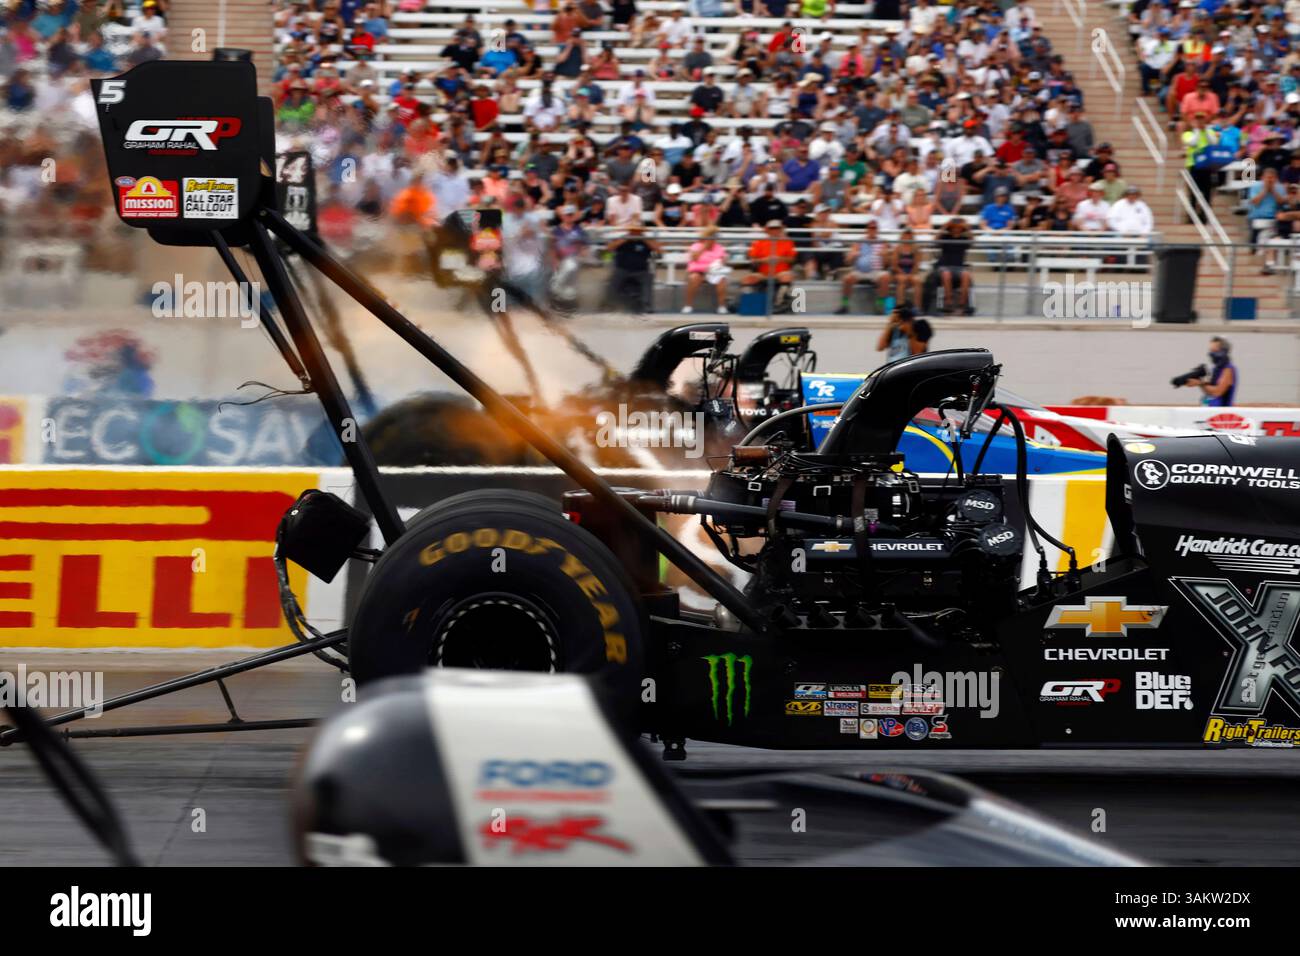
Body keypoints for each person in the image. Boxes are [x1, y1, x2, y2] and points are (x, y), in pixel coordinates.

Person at [835, 220, 891, 315]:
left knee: (885, 277)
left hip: (876, 271)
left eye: (874, 228)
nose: (872, 230)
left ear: (877, 230)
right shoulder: (859, 242)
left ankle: (879, 306)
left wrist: (885, 255)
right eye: (870, 228)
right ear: (867, 229)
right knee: (847, 279)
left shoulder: (882, 242)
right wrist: (853, 255)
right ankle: (844, 305)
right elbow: (847, 261)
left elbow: (887, 263)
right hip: (859, 271)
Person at [605, 225, 660, 312]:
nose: (635, 232)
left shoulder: (646, 241)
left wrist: (644, 239)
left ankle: (646, 305)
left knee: (648, 278)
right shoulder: (623, 239)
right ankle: (608, 305)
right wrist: (625, 239)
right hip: (622, 269)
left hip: (641, 270)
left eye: (637, 230)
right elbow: (609, 248)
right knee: (614, 280)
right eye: (633, 230)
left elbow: (658, 249)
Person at [743, 219, 798, 300]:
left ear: (780, 230)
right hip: (763, 273)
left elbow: (793, 259)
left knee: (787, 277)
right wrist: (764, 260)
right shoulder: (759, 242)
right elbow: (753, 259)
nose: (774, 231)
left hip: (781, 272)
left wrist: (780, 259)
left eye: (777, 228)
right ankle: (750, 301)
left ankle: (780, 300)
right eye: (772, 228)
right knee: (747, 280)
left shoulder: (787, 242)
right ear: (767, 230)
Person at [681, 227, 731, 314]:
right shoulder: (696, 246)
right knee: (694, 278)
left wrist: (723, 260)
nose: (713, 239)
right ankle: (688, 305)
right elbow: (694, 258)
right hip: (698, 271)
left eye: (715, 236)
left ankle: (722, 306)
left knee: (722, 280)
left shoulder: (719, 247)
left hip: (714, 272)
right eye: (712, 236)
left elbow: (723, 260)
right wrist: (704, 247)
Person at [1180, 337, 1237, 407]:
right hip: (1210, 409)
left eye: (1214, 351)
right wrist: (1198, 380)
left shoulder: (1228, 369)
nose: (1211, 354)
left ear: (1223, 352)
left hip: (1221, 414)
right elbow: (1210, 387)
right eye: (1211, 351)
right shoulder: (1216, 369)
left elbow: (1217, 392)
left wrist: (1199, 383)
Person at [935, 217, 974, 315]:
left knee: (966, 275)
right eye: (954, 227)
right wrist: (944, 227)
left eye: (959, 227)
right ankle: (948, 302)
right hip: (945, 266)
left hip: (959, 267)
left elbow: (973, 242)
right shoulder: (945, 238)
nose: (956, 229)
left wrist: (968, 228)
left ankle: (962, 304)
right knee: (946, 274)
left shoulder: (964, 239)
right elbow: (935, 241)